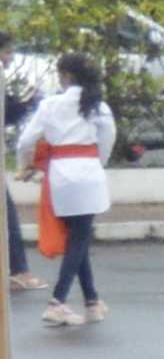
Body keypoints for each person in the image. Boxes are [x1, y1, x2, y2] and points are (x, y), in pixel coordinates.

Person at [21, 55, 109, 328]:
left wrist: (27, 165)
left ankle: (92, 302)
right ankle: (57, 301)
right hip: (88, 172)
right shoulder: (98, 106)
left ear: (67, 75)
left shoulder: (50, 105)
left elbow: (25, 141)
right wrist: (97, 163)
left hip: (59, 174)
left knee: (77, 239)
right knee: (80, 238)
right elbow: (107, 139)